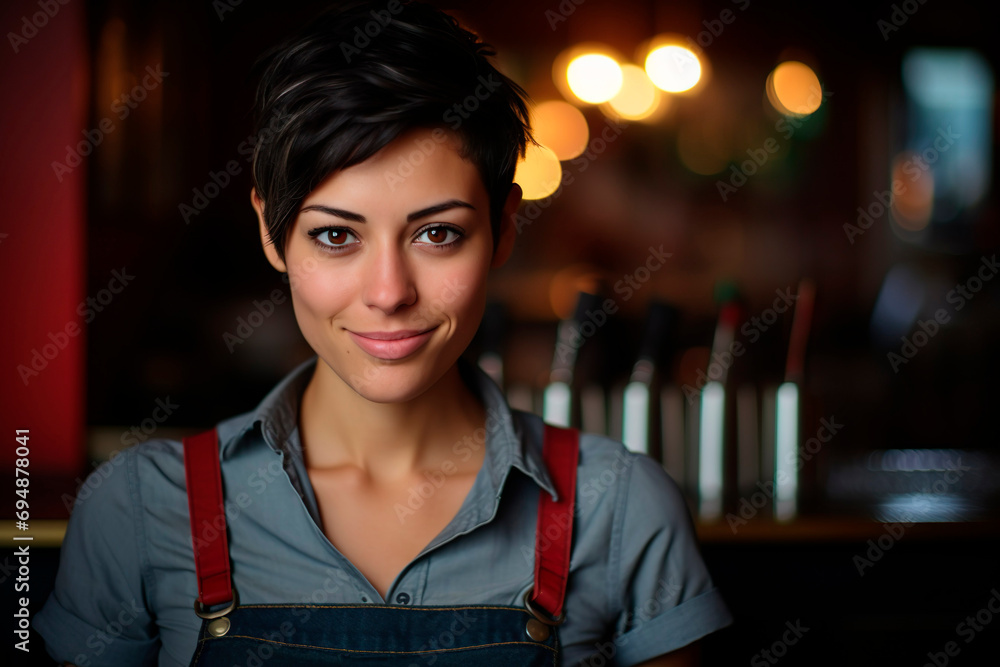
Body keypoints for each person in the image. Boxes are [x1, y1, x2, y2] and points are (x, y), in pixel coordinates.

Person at [35, 1, 733, 665]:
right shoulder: (138, 507)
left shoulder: (619, 507)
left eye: (438, 233)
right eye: (336, 235)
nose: (389, 292)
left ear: (504, 229)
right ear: (269, 233)